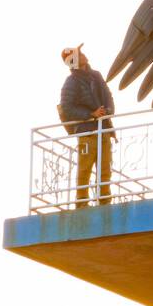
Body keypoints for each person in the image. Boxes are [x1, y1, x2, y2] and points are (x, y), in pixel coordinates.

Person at [57, 44, 117, 206]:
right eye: (79, 54)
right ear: (75, 60)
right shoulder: (71, 82)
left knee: (105, 169)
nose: (83, 55)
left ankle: (105, 202)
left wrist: (108, 111)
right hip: (87, 131)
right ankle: (82, 203)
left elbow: (108, 96)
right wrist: (91, 114)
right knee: (85, 169)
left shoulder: (95, 75)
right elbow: (67, 108)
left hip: (103, 128)